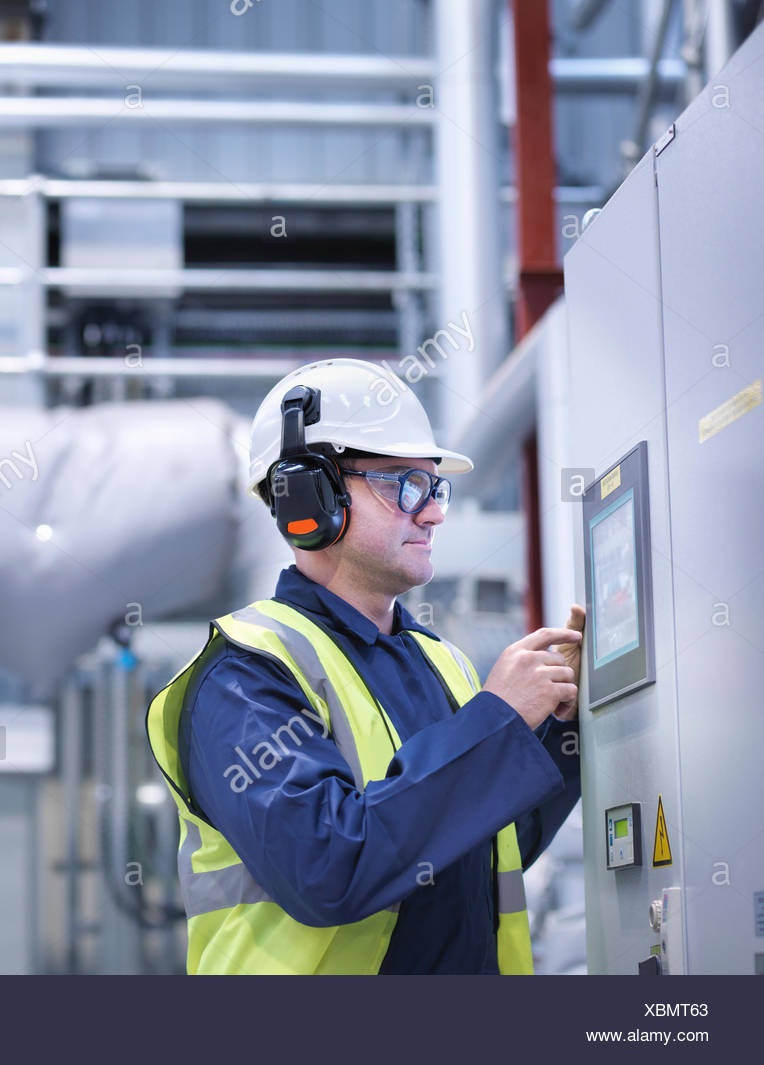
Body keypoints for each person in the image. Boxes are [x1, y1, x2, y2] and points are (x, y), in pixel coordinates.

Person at [146, 358, 586, 974]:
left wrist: (567, 725)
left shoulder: (442, 664)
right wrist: (499, 719)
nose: (432, 511)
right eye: (402, 483)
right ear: (308, 494)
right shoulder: (244, 677)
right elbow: (328, 868)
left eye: (435, 488)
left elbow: (487, 847)